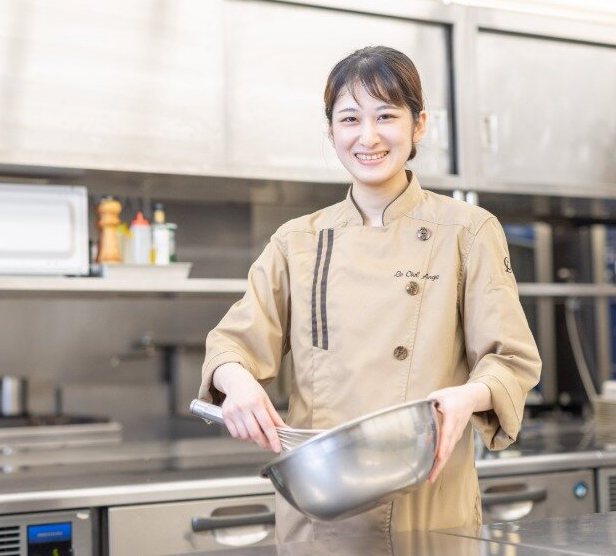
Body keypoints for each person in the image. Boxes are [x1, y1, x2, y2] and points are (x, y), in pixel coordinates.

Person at [198, 46, 542, 542]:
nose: (368, 136)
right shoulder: (298, 241)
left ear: (418, 125)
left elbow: (510, 359)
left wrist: (468, 396)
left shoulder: (467, 231)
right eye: (349, 119)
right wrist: (238, 383)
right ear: (331, 132)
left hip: (428, 503)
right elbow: (232, 344)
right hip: (320, 514)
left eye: (386, 116)